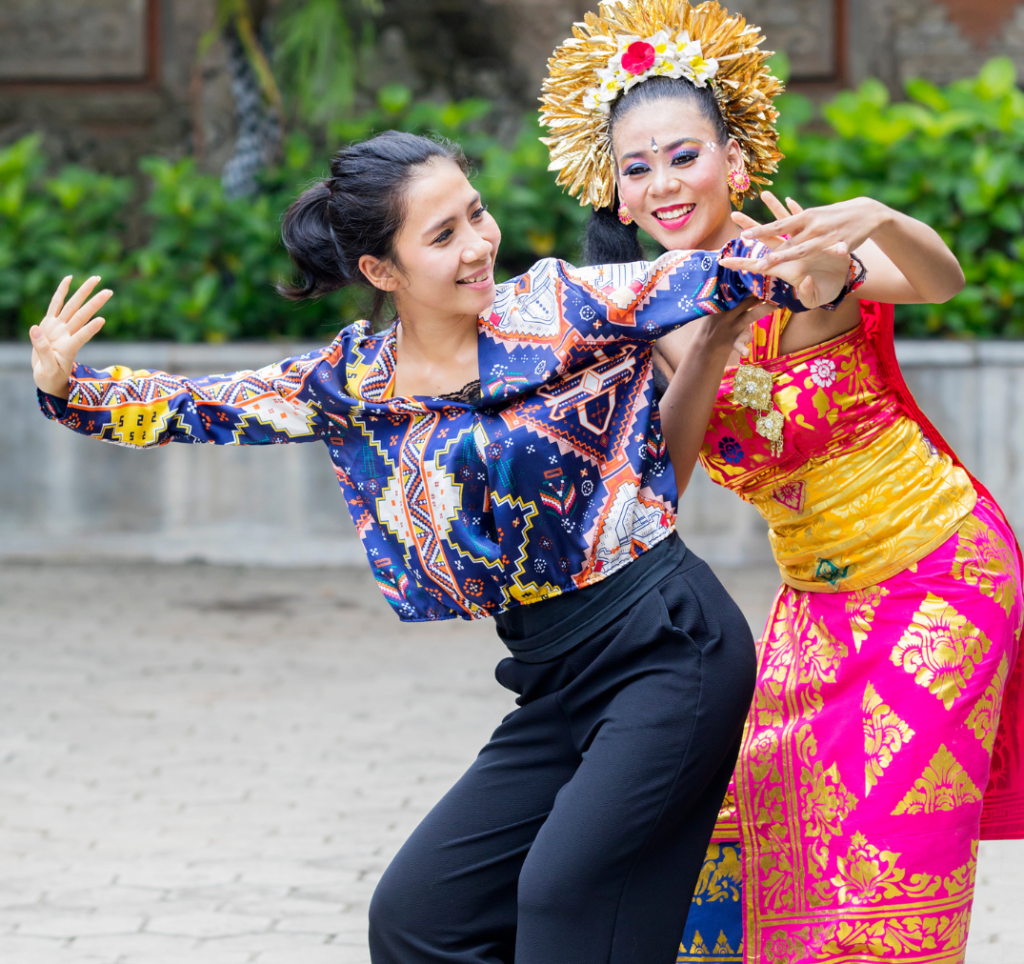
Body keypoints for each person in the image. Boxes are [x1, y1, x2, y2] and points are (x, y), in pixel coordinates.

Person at [29, 130, 856, 963]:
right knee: (421, 917)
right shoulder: (354, 383)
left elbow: (700, 276)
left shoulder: (559, 306)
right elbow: (206, 405)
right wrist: (68, 389)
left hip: (669, 649)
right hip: (552, 678)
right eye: (443, 234)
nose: (478, 244)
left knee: (565, 900)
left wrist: (815, 269)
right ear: (380, 270)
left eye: (476, 214)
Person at [540, 1, 1024, 962]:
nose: (664, 183)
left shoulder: (798, 250)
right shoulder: (638, 319)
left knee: (886, 862)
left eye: (685, 156)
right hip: (816, 599)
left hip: (940, 572)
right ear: (617, 197)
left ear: (735, 162)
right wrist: (707, 340)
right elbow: (666, 479)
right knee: (772, 843)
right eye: (638, 168)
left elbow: (940, 281)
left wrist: (874, 226)